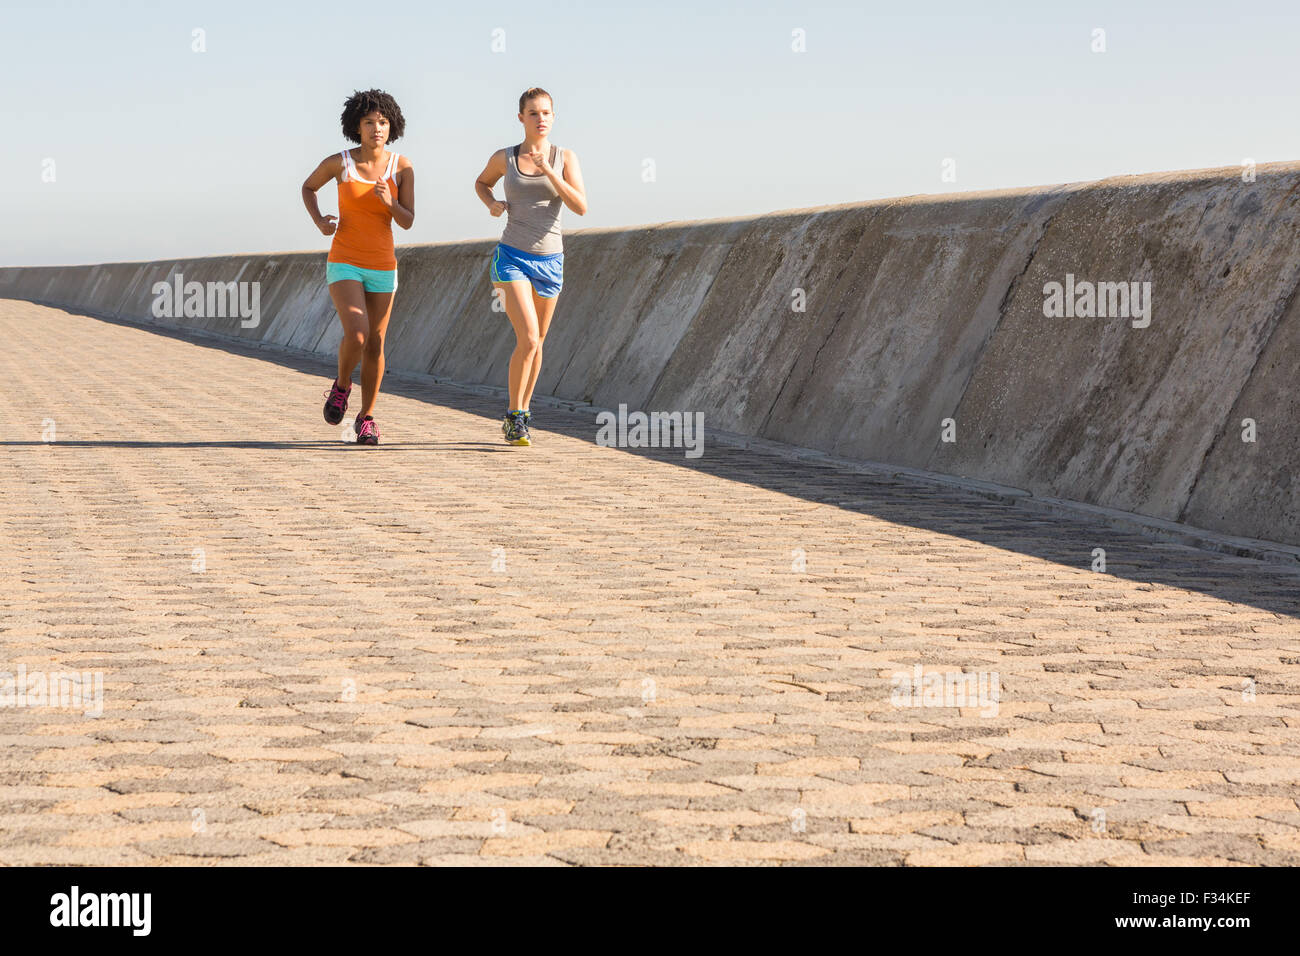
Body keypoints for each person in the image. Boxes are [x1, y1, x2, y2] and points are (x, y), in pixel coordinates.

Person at [473, 86, 587, 446]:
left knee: (538, 344)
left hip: (552, 261)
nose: (541, 119)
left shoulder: (565, 157)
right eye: (534, 113)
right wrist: (491, 202)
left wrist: (550, 174)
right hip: (512, 257)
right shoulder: (504, 157)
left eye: (547, 113)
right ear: (520, 117)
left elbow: (581, 206)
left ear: (554, 117)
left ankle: (523, 411)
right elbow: (480, 182)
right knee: (529, 337)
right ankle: (514, 415)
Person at [301, 89, 415, 445]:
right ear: (357, 126)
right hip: (345, 261)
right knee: (358, 333)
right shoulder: (340, 163)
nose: (376, 129)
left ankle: (365, 419)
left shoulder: (403, 167)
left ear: (391, 125)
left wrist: (390, 201)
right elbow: (308, 187)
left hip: (383, 265)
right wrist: (320, 221)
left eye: (382, 122)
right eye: (369, 122)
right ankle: (341, 386)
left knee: (376, 343)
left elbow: (408, 221)